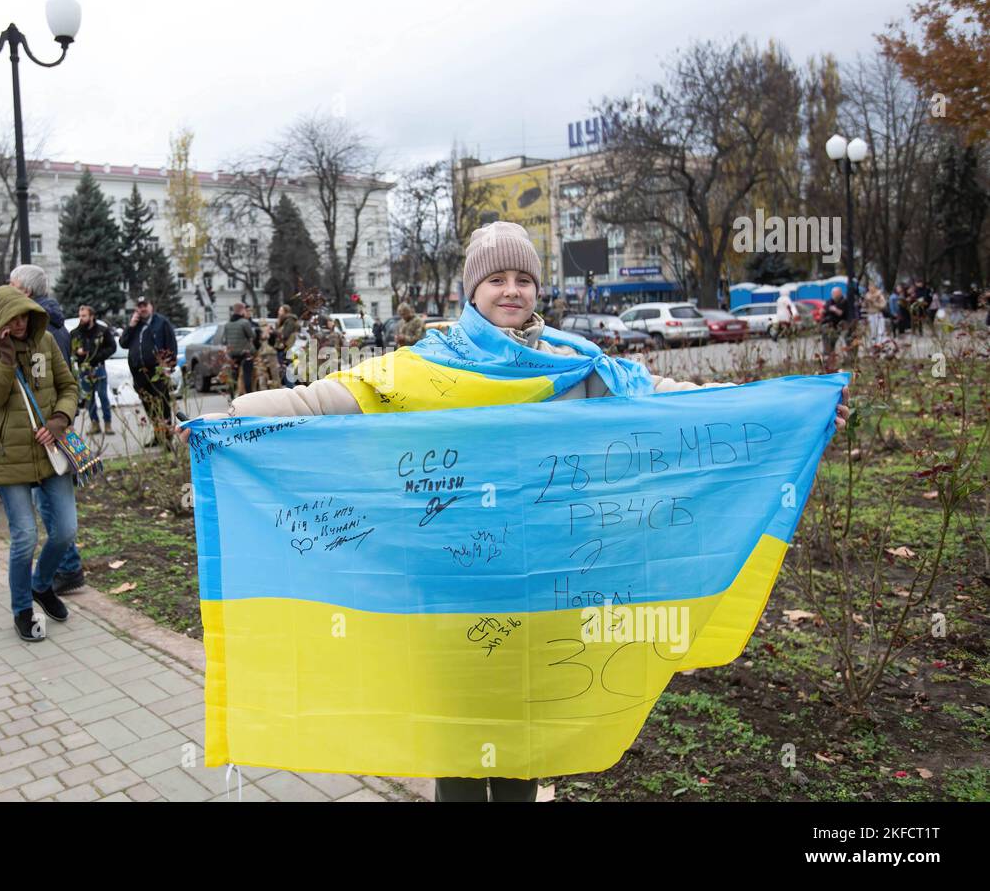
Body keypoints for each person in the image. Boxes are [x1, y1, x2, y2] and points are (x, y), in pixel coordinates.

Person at [178, 219, 850, 801]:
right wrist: (228, 421)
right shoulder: (425, 368)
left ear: (537, 290)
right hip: (452, 589)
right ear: (471, 291)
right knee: (461, 739)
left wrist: (791, 410)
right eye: (495, 279)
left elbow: (673, 400)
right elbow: (326, 400)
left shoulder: (578, 366)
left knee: (526, 736)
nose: (511, 290)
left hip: (545, 586)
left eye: (522, 279)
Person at [0, 286, 80, 641]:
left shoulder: (46, 342)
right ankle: (22, 608)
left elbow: (69, 387)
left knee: (65, 530)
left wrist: (59, 420)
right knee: (24, 538)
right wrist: (5, 357)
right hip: (7, 455)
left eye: (24, 316)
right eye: (12, 318)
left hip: (50, 450)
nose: (19, 324)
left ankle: (42, 584)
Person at [9, 264, 83, 594]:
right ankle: (66, 566)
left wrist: (54, 423)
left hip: (47, 430)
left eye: (12, 285)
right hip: (49, 426)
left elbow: (62, 384)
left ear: (25, 292)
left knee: (49, 506)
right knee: (50, 506)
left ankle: (66, 569)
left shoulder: (45, 331)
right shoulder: (53, 324)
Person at [121, 295, 179, 446]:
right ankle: (158, 435)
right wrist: (131, 326)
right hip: (139, 374)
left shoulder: (161, 323)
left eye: (145, 305)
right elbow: (123, 343)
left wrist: (169, 366)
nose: (142, 308)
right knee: (149, 406)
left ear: (151, 306)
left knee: (162, 405)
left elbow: (171, 344)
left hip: (158, 372)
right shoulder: (136, 325)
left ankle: (167, 438)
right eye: (140, 306)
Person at [71, 304, 117, 435]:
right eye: (80, 316)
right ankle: (94, 424)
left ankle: (108, 424)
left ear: (92, 316)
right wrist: (76, 351)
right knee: (89, 399)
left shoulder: (102, 331)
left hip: (98, 368)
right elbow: (70, 349)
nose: (81, 318)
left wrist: (97, 355)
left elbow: (112, 347)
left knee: (103, 396)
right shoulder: (75, 333)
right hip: (84, 370)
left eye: (84, 316)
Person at [223, 302, 258, 398]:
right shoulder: (244, 322)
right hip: (245, 353)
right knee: (247, 375)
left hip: (232, 355)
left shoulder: (227, 324)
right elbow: (252, 336)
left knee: (233, 376)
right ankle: (249, 396)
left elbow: (224, 340)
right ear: (242, 310)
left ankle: (232, 396)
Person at [276, 305, 300, 385]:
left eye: (280, 310)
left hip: (287, 348)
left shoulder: (289, 321)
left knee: (288, 369)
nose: (278, 312)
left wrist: (275, 332)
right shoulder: (284, 321)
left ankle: (290, 388)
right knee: (286, 369)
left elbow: (285, 334)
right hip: (285, 348)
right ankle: (290, 386)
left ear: (285, 312)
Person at [820, 286, 847, 354]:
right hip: (827, 323)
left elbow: (841, 313)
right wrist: (823, 311)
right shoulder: (829, 301)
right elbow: (824, 309)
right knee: (826, 338)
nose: (834, 295)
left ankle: (830, 353)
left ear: (840, 293)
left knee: (832, 340)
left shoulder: (843, 301)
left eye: (835, 293)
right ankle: (828, 352)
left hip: (838, 324)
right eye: (833, 293)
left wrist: (835, 310)